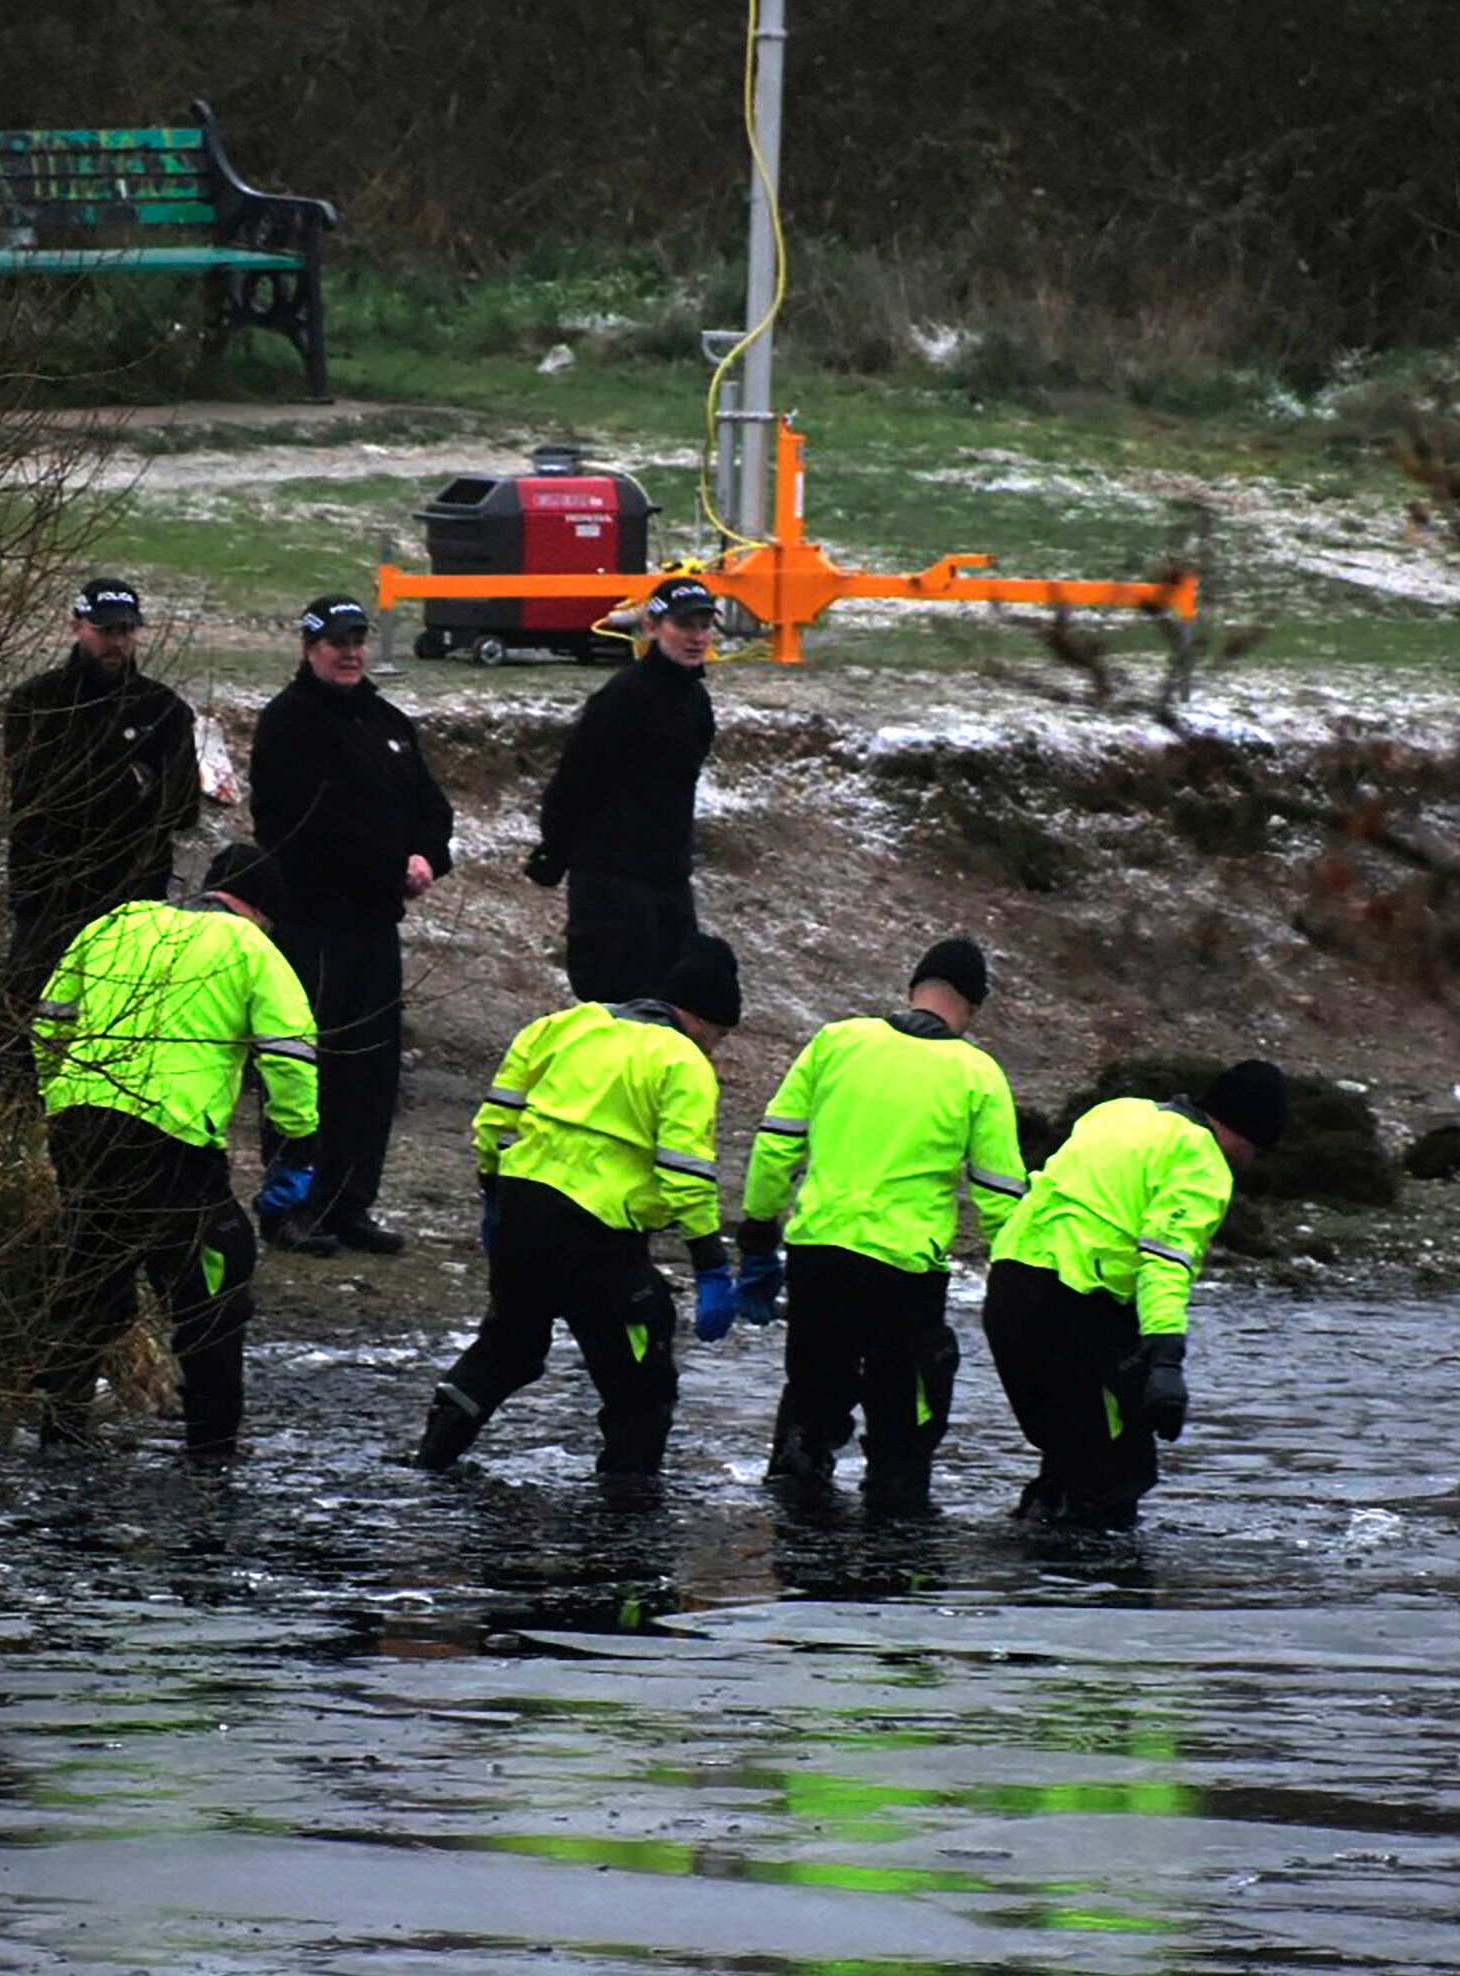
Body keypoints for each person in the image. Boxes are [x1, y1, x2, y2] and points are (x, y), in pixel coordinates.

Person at [407, 934, 746, 1488]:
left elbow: (496, 1118)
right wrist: (708, 1260)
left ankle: (428, 1463)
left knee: (509, 1348)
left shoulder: (566, 1025)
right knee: (640, 1381)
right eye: (721, 1039)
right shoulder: (683, 1061)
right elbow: (685, 1174)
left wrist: (493, 1193)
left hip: (520, 1209)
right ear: (706, 1022)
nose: (717, 1051)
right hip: (598, 1236)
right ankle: (624, 1526)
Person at [22, 842, 318, 1454]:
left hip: (81, 1124)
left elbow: (49, 1020)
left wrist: (60, 1099)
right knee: (212, 1273)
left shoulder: (117, 924)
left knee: (92, 1268)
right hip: (170, 1134)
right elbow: (291, 1057)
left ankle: (61, 1428)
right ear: (261, 910)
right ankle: (212, 1446)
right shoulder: (251, 949)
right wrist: (294, 1140)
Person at [737, 936, 1027, 1517]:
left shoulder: (836, 1041)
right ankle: (893, 1567)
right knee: (904, 1427)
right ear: (971, 1007)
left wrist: (758, 1234)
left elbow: (776, 1145)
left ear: (913, 988)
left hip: (818, 1250)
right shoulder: (977, 1072)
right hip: (904, 1271)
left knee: (812, 1403)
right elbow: (999, 1193)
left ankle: (797, 1554)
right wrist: (1017, 1268)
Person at [981, 1059, 1289, 1530]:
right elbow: (1165, 1263)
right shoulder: (1201, 1161)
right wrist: (1166, 1361)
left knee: (1072, 1455)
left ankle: (1032, 1567)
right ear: (1248, 1135)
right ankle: (1097, 1593)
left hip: (1009, 1290)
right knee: (1116, 1476)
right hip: (1072, 1305)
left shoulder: (1119, 1112)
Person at [244, 593, 456, 1258]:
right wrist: (388, 866)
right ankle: (289, 1207)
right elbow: (298, 828)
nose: (351, 652)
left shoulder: (386, 721)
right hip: (310, 924)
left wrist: (425, 857)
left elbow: (431, 808)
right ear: (310, 648)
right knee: (305, 1068)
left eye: (359, 640)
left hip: (373, 927)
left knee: (371, 1073)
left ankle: (350, 1202)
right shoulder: (288, 723)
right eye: (338, 642)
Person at [0, 575, 201, 1085]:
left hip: (132, 900)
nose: (118, 643)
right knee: (27, 1026)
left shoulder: (165, 710)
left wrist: (116, 787)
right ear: (77, 627)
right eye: (106, 630)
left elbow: (181, 808)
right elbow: (41, 797)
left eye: (127, 631)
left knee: (122, 1035)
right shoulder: (37, 702)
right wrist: (130, 780)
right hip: (49, 895)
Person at [523, 573, 719, 1004]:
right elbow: (574, 780)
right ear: (652, 627)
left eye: (704, 626)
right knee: (616, 1000)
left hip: (669, 878)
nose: (697, 637)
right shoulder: (623, 698)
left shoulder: (696, 701)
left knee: (671, 1001)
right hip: (612, 879)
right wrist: (555, 851)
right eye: (685, 626)